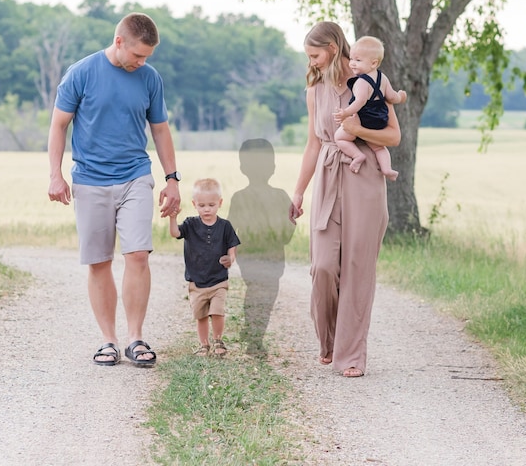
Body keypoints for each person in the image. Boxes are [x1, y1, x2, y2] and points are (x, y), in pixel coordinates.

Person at [47, 12, 181, 368]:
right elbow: (59, 126)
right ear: (119, 41)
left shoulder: (150, 79)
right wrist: (55, 175)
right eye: (137, 55)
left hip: (135, 175)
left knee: (138, 255)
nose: (142, 62)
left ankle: (136, 337)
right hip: (90, 179)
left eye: (147, 56)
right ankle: (109, 340)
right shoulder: (81, 73)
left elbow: (161, 130)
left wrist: (172, 179)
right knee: (99, 261)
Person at [290, 22, 401, 378]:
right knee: (322, 267)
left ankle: (351, 355)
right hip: (328, 174)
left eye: (315, 55)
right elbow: (313, 144)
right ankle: (330, 342)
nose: (311, 62)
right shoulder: (314, 91)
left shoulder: (370, 82)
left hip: (364, 175)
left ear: (333, 48)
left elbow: (393, 136)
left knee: (357, 268)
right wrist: (298, 191)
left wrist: (357, 130)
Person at [228, 138, 296, 356]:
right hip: (275, 256)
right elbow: (288, 232)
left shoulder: (239, 197)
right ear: (273, 167)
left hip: (247, 256)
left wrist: (228, 253)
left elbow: (230, 231)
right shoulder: (281, 196)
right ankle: (255, 340)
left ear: (242, 168)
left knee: (253, 291)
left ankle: (251, 330)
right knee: (266, 296)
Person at [169, 178, 241, 357]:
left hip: (218, 280)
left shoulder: (225, 226)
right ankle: (204, 345)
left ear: (220, 203)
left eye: (211, 205)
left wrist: (230, 258)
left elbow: (232, 248)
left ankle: (218, 341)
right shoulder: (190, 224)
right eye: (202, 205)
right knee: (200, 315)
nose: (207, 209)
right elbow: (175, 233)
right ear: (194, 204)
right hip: (197, 282)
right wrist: (173, 218)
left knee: (217, 312)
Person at [333, 36, 407, 180]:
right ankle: (387, 169)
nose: (352, 63)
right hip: (379, 120)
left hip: (363, 119)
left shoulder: (361, 82)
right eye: (351, 59)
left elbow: (359, 102)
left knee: (340, 138)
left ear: (374, 63)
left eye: (358, 60)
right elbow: (392, 97)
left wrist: (345, 113)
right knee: (379, 148)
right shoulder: (382, 78)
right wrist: (401, 97)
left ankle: (357, 156)